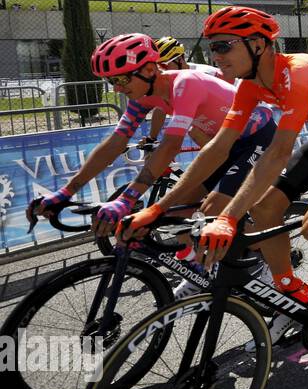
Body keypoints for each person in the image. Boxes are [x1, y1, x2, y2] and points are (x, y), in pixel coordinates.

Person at [121, 6, 308, 342]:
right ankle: (289, 293)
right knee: (264, 210)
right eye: (212, 47)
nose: (216, 56)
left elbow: (278, 153)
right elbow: (217, 149)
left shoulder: (298, 72)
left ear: (257, 44)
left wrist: (227, 217)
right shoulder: (250, 87)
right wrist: (157, 208)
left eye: (224, 46)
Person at [28, 33, 276, 259]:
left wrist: (128, 199)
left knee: (211, 210)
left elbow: (169, 146)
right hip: (223, 145)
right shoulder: (142, 97)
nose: (117, 88)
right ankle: (201, 269)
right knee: (175, 215)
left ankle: (260, 257)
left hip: (256, 137)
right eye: (111, 81)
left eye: (122, 78)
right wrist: (65, 192)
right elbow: (115, 143)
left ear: (148, 69)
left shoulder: (186, 84)